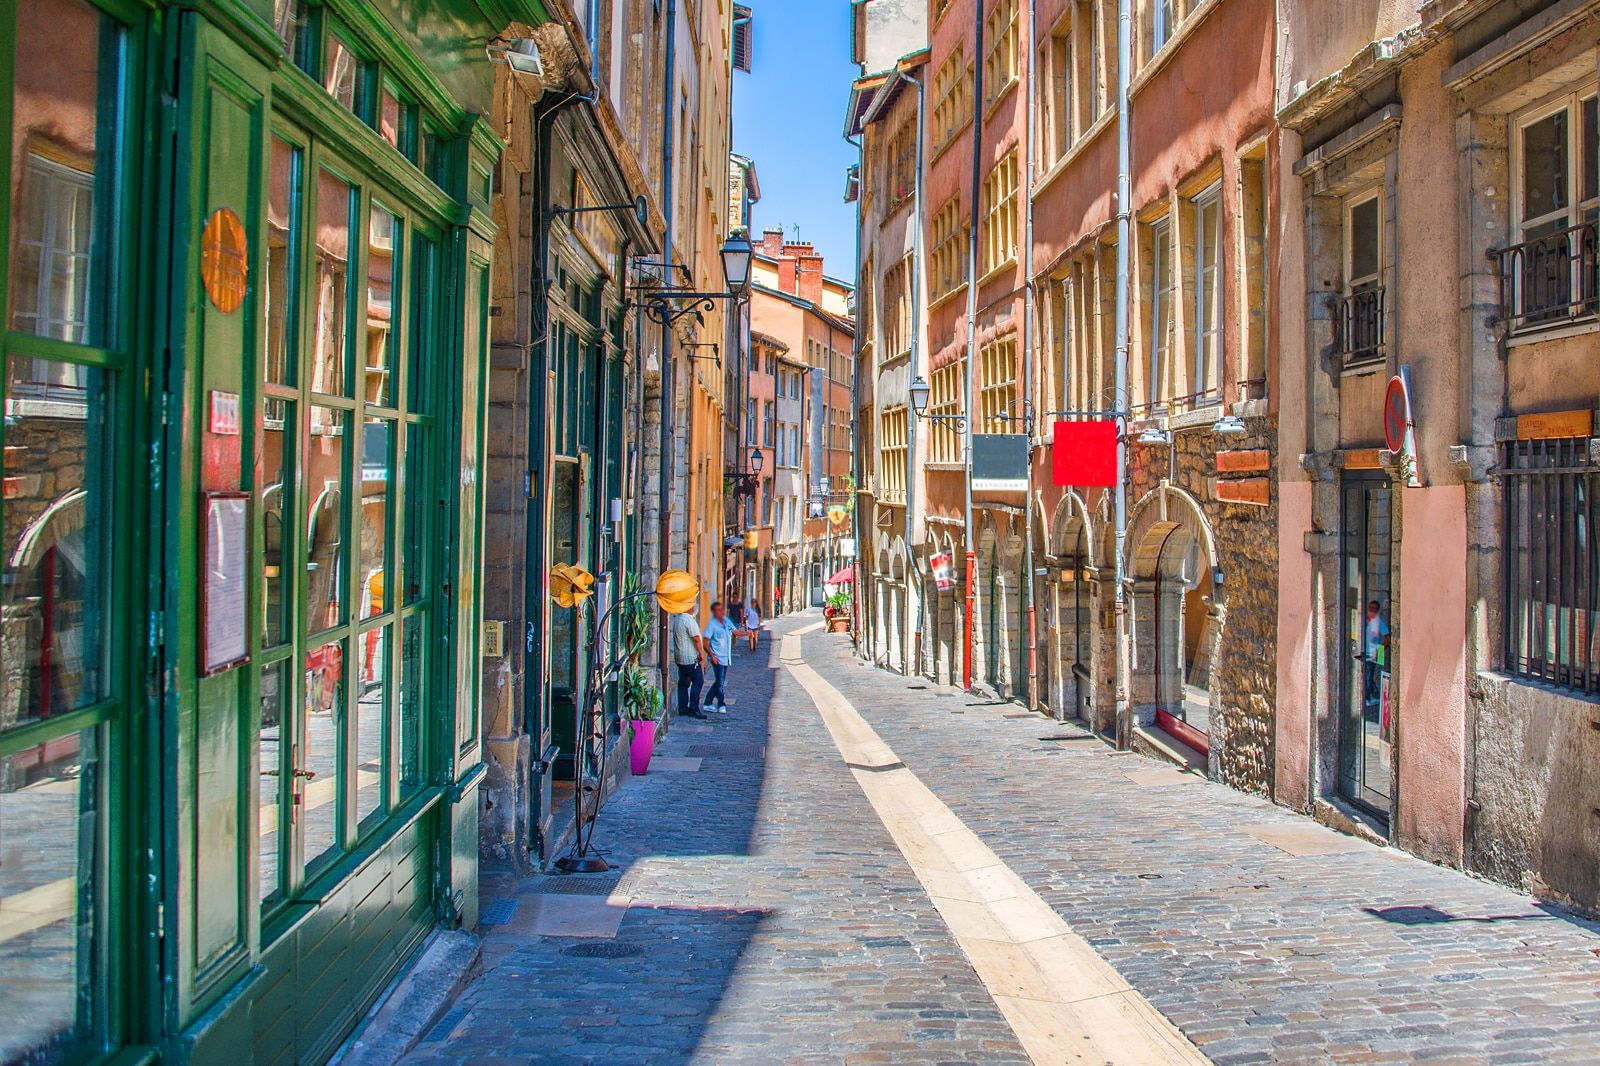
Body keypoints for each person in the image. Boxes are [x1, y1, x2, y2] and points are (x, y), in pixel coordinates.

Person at [702, 601, 739, 715]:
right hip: (717, 658)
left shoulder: (727, 621)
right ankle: (721, 704)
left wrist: (748, 633)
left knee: (719, 682)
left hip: (726, 658)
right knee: (720, 682)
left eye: (722, 609)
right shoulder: (712, 625)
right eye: (718, 610)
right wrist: (712, 656)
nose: (721, 612)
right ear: (714, 612)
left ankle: (707, 702)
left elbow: (736, 632)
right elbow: (705, 643)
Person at [671, 605, 706, 719]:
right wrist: (701, 652)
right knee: (698, 681)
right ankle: (694, 708)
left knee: (683, 683)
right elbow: (696, 638)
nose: (694, 608)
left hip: (680, 657)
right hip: (690, 658)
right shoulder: (688, 620)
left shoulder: (677, 619)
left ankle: (683, 708)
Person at [1364, 599, 1389, 711]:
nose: (1372, 610)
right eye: (1370, 608)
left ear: (1378, 610)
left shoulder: (1379, 623)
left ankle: (1369, 698)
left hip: (1373, 653)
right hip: (1364, 652)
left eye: (1374, 608)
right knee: (1367, 675)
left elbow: (1387, 638)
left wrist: (1380, 651)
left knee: (1369, 675)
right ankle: (1373, 695)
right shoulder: (1366, 621)